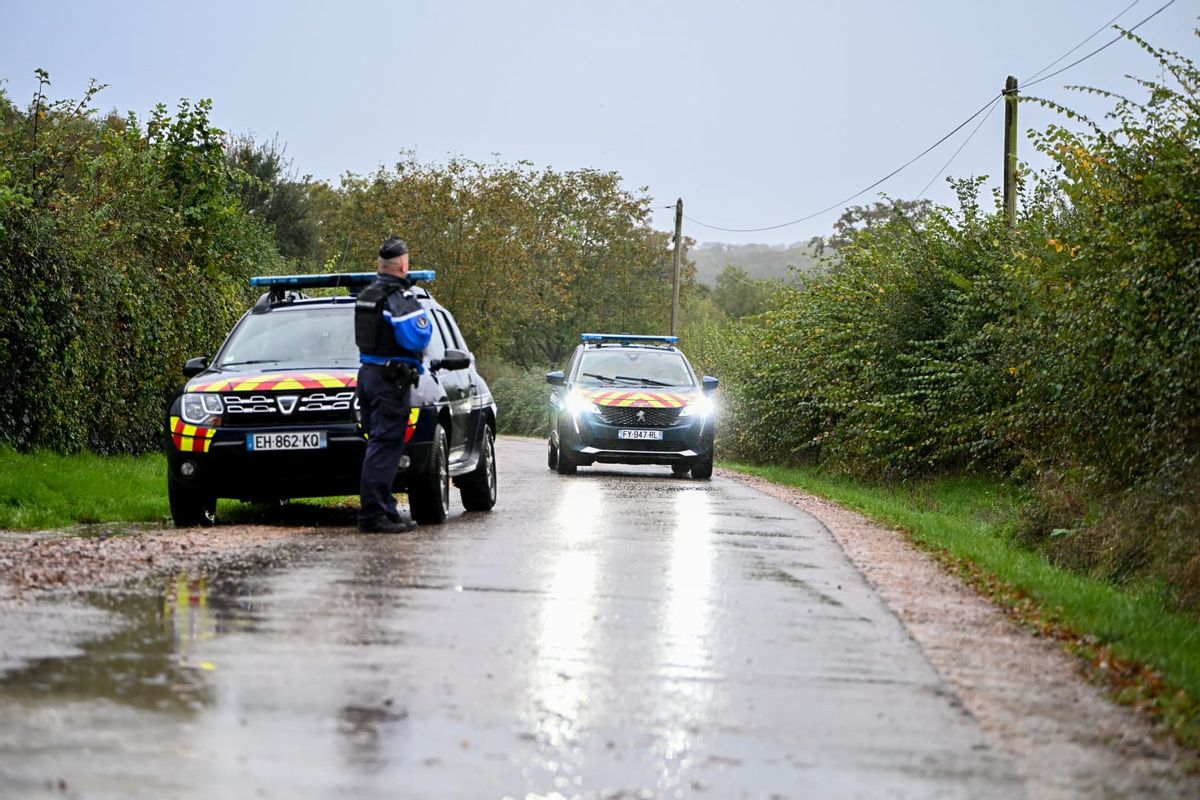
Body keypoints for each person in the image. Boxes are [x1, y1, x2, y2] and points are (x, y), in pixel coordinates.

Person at [355, 235, 434, 533]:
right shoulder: (396, 298)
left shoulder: (367, 294)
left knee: (379, 445)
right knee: (384, 447)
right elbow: (416, 336)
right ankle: (373, 514)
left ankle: (385, 509)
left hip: (369, 376)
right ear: (403, 264)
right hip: (390, 381)